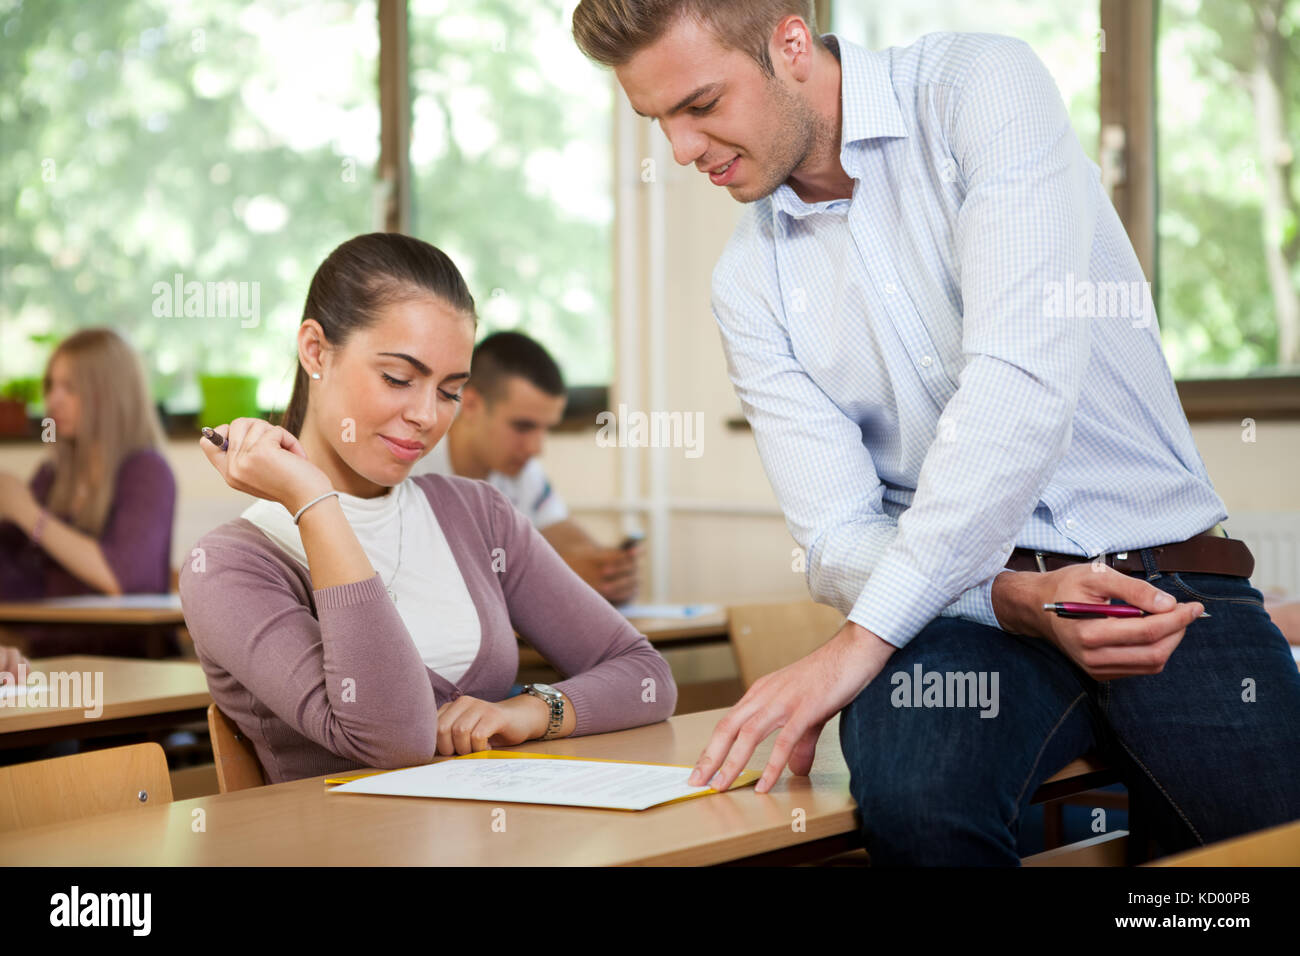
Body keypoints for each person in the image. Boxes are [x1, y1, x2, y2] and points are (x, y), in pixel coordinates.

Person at [572, 0, 1300, 863]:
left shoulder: (979, 87)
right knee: (917, 807)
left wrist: (859, 643)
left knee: (1260, 849)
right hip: (965, 615)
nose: (682, 150)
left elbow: (1020, 385)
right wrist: (1005, 598)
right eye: (656, 120)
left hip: (1165, 582)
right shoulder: (748, 284)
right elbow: (838, 535)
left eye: (700, 105)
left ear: (791, 44)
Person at [178, 233, 676, 785]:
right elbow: (395, 739)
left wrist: (527, 712)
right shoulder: (228, 567)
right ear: (316, 351)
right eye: (398, 378)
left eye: (449, 391)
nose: (426, 415)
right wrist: (313, 501)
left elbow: (645, 676)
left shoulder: (478, 515)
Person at [412, 331, 640, 604]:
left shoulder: (519, 469)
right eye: (523, 427)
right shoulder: (409, 464)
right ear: (471, 404)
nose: (535, 448)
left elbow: (558, 530)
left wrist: (606, 570)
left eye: (545, 429)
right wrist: (558, 576)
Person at [0, 328, 177, 657]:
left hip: (129, 661)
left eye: (70, 388)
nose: (53, 400)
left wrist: (25, 512)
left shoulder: (148, 472)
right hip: (51, 657)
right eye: (52, 386)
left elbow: (123, 579)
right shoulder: (52, 476)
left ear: (110, 394)